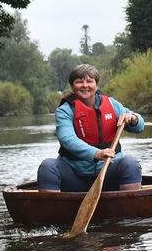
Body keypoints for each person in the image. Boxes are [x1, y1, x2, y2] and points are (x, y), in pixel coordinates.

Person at [37, 64, 144, 193]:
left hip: (108, 174)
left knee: (130, 163)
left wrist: (134, 119)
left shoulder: (111, 104)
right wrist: (96, 153)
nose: (85, 85)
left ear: (96, 85)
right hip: (75, 177)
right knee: (47, 166)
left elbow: (139, 127)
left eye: (89, 81)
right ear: (72, 86)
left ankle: (129, 209)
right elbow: (67, 139)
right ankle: (53, 209)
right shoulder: (64, 111)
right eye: (79, 82)